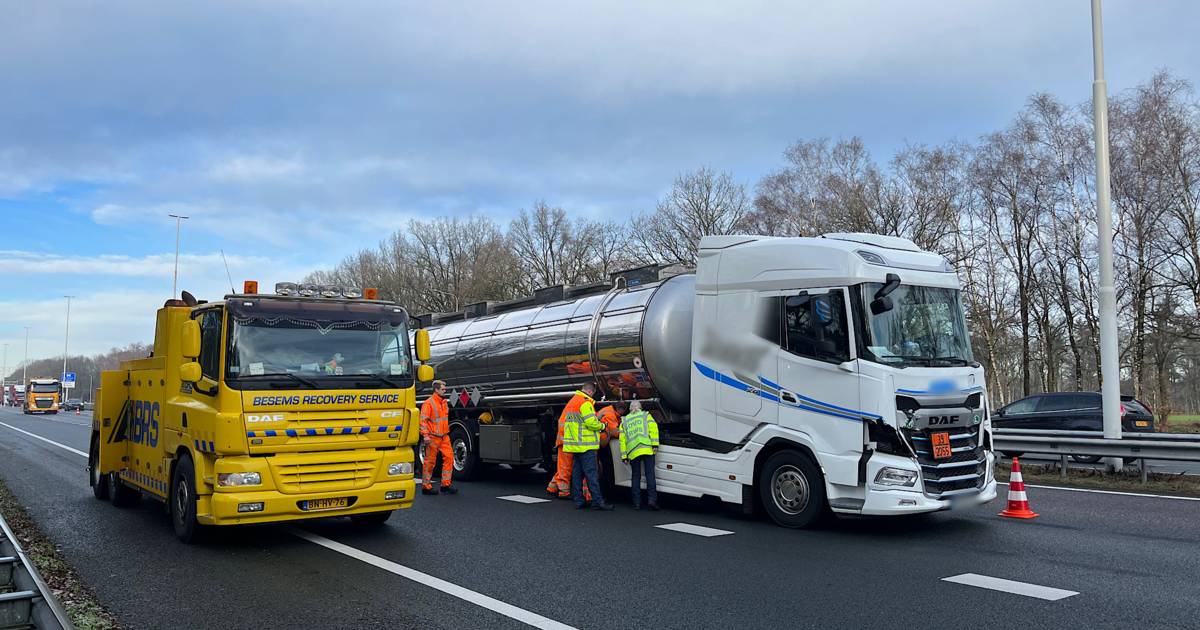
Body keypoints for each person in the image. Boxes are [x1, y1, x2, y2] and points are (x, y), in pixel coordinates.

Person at [562, 383, 613, 510]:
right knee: (592, 474)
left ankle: (579, 501)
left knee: (577, 475)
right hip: (585, 445)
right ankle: (598, 502)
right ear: (590, 391)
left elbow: (579, 421)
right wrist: (602, 426)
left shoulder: (573, 401)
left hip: (575, 444)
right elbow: (590, 423)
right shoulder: (585, 403)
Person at [620, 400, 660, 510]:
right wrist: (655, 444)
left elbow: (622, 440)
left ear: (630, 409)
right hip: (647, 448)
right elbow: (653, 429)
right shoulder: (646, 416)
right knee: (650, 474)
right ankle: (652, 500)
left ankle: (636, 503)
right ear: (640, 408)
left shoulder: (624, 420)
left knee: (635, 476)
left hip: (633, 451)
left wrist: (624, 456)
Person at [420, 380, 458, 495]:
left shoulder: (444, 402)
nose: (445, 390)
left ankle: (445, 484)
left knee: (450, 458)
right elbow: (423, 421)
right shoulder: (429, 403)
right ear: (436, 390)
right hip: (433, 437)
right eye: (443, 389)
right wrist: (425, 436)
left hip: (444, 436)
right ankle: (426, 486)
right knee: (430, 462)